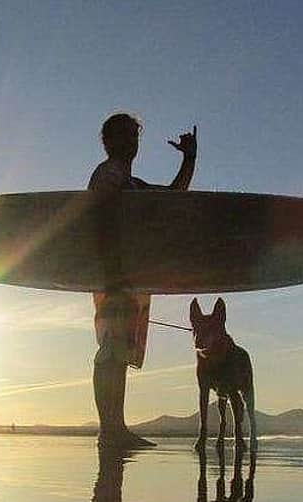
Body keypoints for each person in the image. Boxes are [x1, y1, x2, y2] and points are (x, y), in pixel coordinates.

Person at [89, 113, 196, 449]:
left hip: (128, 276)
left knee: (118, 352)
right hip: (114, 275)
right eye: (124, 137)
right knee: (110, 350)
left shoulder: (131, 183)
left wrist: (189, 158)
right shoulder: (108, 174)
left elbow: (172, 196)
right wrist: (112, 274)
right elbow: (101, 222)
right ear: (108, 142)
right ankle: (110, 431)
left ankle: (114, 429)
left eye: (134, 138)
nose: (131, 144)